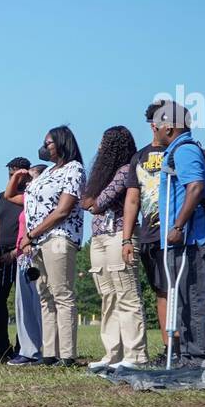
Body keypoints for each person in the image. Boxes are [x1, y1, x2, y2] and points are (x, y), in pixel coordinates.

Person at [14, 126, 85, 365]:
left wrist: (32, 233)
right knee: (45, 295)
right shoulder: (47, 173)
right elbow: (23, 199)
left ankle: (67, 353)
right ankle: (50, 352)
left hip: (58, 237)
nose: (44, 148)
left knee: (62, 294)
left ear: (62, 143)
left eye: (49, 143)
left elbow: (63, 209)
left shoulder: (73, 169)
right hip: (39, 241)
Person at [154, 101, 205, 366]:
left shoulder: (184, 150)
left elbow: (196, 187)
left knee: (195, 299)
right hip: (180, 240)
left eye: (156, 125)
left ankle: (200, 358)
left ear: (169, 127)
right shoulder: (175, 150)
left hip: (192, 238)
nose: (153, 130)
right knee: (182, 301)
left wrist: (178, 226)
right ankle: (188, 356)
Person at [81, 126, 147, 370]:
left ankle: (135, 355)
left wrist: (91, 201)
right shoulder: (102, 173)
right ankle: (113, 354)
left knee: (127, 294)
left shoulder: (126, 170)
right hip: (98, 237)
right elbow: (84, 202)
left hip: (119, 235)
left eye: (102, 142)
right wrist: (89, 201)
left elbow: (96, 203)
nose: (98, 146)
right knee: (108, 297)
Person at [122, 102, 173, 357]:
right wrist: (126, 239)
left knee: (183, 290)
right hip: (149, 234)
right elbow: (132, 200)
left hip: (177, 233)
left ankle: (192, 348)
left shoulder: (182, 151)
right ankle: (168, 348)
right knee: (161, 290)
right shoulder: (139, 157)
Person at [0, 157, 31, 359]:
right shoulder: (1, 197)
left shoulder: (29, 198)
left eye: (16, 174)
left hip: (22, 253)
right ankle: (2, 345)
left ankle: (23, 346)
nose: (12, 178)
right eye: (10, 174)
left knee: (23, 301)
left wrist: (15, 253)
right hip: (2, 254)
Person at [6, 164, 46, 365]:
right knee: (24, 306)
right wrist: (17, 177)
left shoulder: (47, 200)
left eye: (31, 178)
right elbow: (9, 195)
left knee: (39, 303)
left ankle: (46, 350)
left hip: (38, 253)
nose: (27, 183)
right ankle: (28, 350)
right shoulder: (28, 200)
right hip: (23, 257)